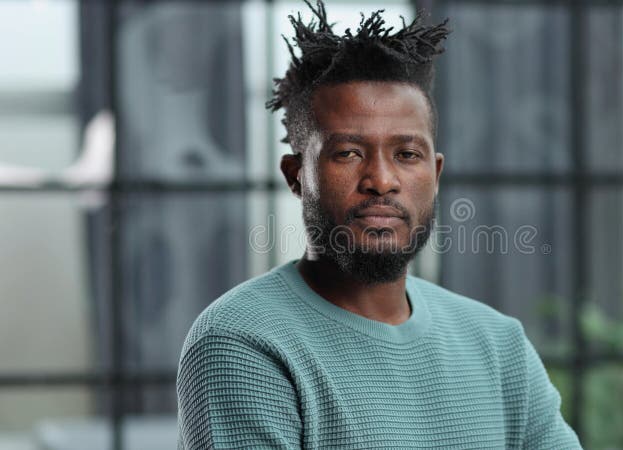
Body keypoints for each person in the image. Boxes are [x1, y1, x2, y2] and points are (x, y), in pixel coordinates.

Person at [176, 1, 582, 448]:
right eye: (348, 153)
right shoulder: (242, 342)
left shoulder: (497, 344)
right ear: (296, 176)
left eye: (407, 155)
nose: (382, 181)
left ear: (436, 174)